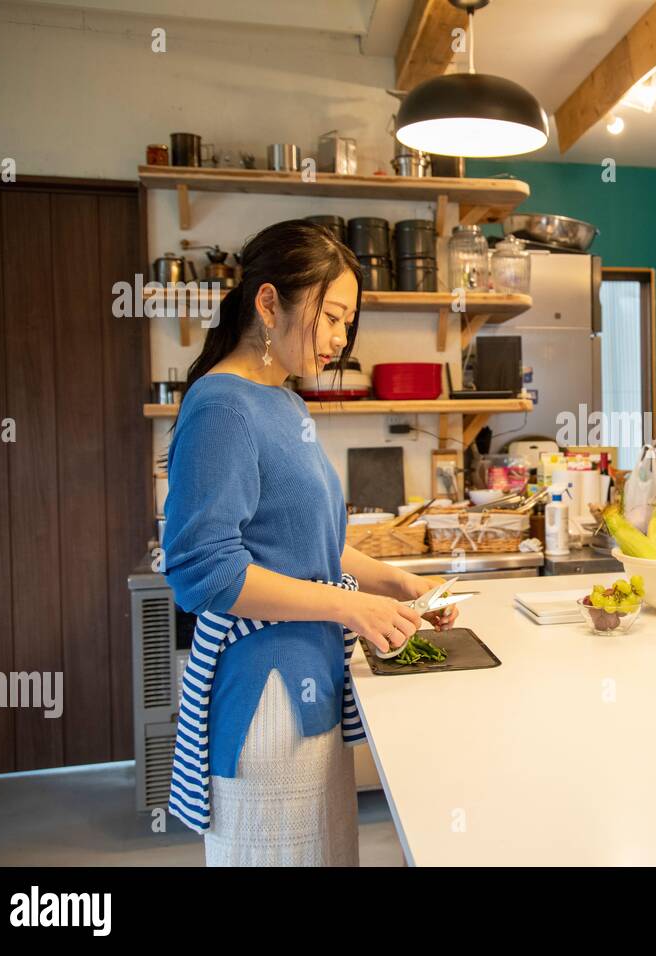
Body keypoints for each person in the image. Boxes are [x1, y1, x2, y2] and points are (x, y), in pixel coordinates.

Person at [162, 219, 458, 865]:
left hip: (310, 680)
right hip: (266, 696)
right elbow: (202, 573)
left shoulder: (285, 402)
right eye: (331, 317)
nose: (340, 340)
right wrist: (352, 607)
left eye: (347, 324)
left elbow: (310, 543)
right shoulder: (222, 407)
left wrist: (395, 584)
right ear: (269, 303)